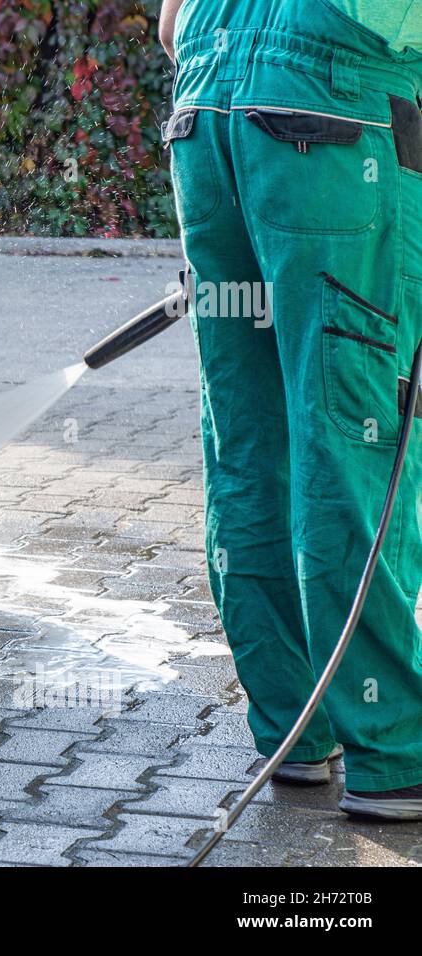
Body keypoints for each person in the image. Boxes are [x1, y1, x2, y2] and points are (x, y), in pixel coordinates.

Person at [159, 0, 422, 819]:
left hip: (208, 97)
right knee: (350, 424)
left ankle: (291, 726)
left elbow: (169, 23)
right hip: (337, 105)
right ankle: (394, 751)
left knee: (248, 432)